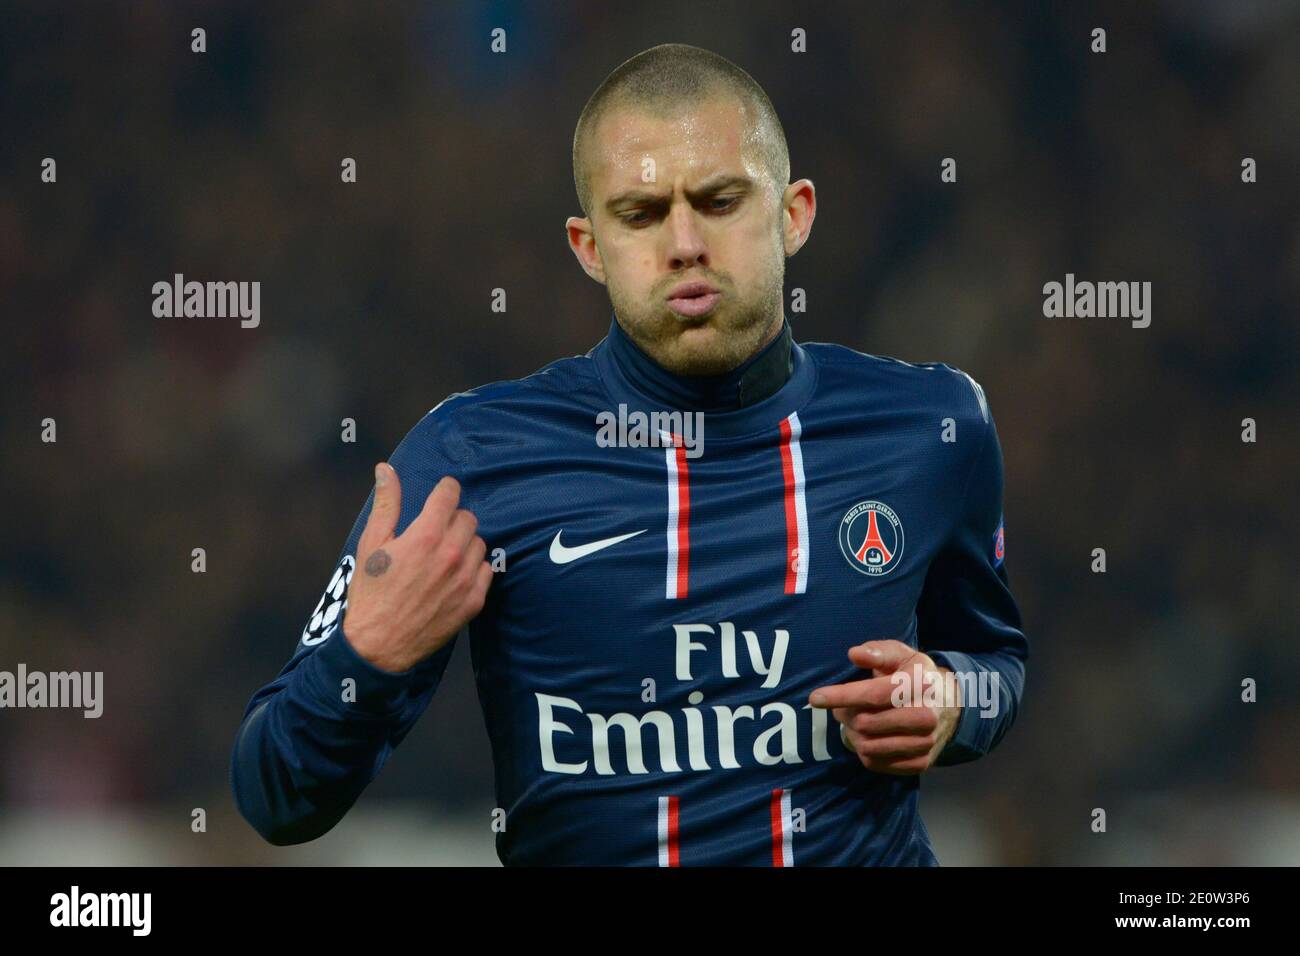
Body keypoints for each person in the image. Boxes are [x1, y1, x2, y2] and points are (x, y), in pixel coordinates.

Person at [231, 42, 1028, 865]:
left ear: (792, 214)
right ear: (587, 245)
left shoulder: (931, 428)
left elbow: (997, 662)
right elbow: (274, 795)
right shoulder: (473, 458)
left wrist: (951, 698)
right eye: (641, 214)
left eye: (719, 201)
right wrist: (365, 662)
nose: (684, 243)